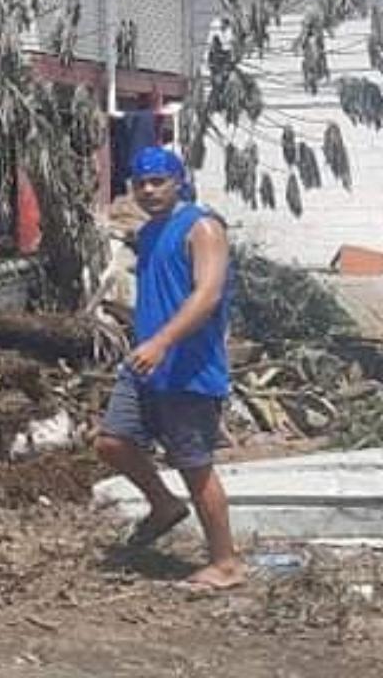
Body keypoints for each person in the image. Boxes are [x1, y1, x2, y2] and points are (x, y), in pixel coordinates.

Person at [95, 146, 245, 591]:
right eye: (141, 182)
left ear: (178, 181)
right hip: (147, 364)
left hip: (188, 368)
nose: (148, 190)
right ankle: (163, 506)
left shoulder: (202, 226)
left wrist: (162, 342)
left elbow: (208, 294)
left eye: (158, 181)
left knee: (194, 467)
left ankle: (225, 563)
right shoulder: (152, 231)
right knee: (111, 442)